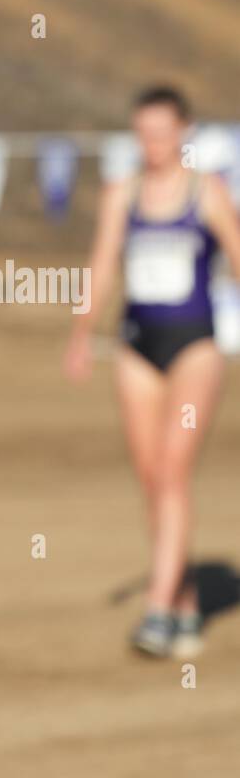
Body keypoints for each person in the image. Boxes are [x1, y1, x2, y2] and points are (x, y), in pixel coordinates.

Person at [66, 85, 240, 658]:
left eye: (163, 133)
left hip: (195, 347)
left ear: (185, 132)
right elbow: (101, 265)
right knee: (152, 480)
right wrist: (82, 335)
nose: (153, 144)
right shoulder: (123, 193)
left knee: (173, 472)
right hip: (138, 348)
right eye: (144, 133)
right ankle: (186, 600)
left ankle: (160, 609)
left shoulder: (206, 191)